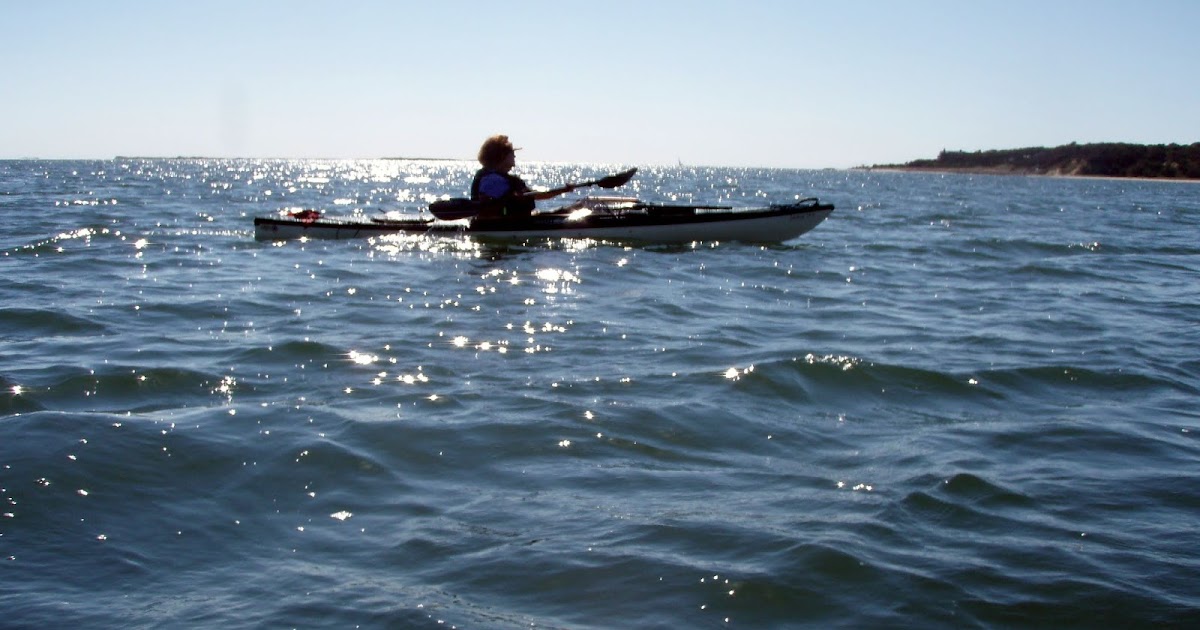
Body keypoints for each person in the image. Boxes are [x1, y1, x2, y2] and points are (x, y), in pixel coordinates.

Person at [470, 135, 577, 220]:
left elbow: (538, 195)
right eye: (512, 153)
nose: (515, 156)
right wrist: (511, 198)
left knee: (577, 207)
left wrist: (564, 189)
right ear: (502, 156)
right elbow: (487, 208)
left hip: (517, 221)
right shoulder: (493, 180)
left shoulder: (503, 179)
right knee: (574, 209)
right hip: (504, 225)